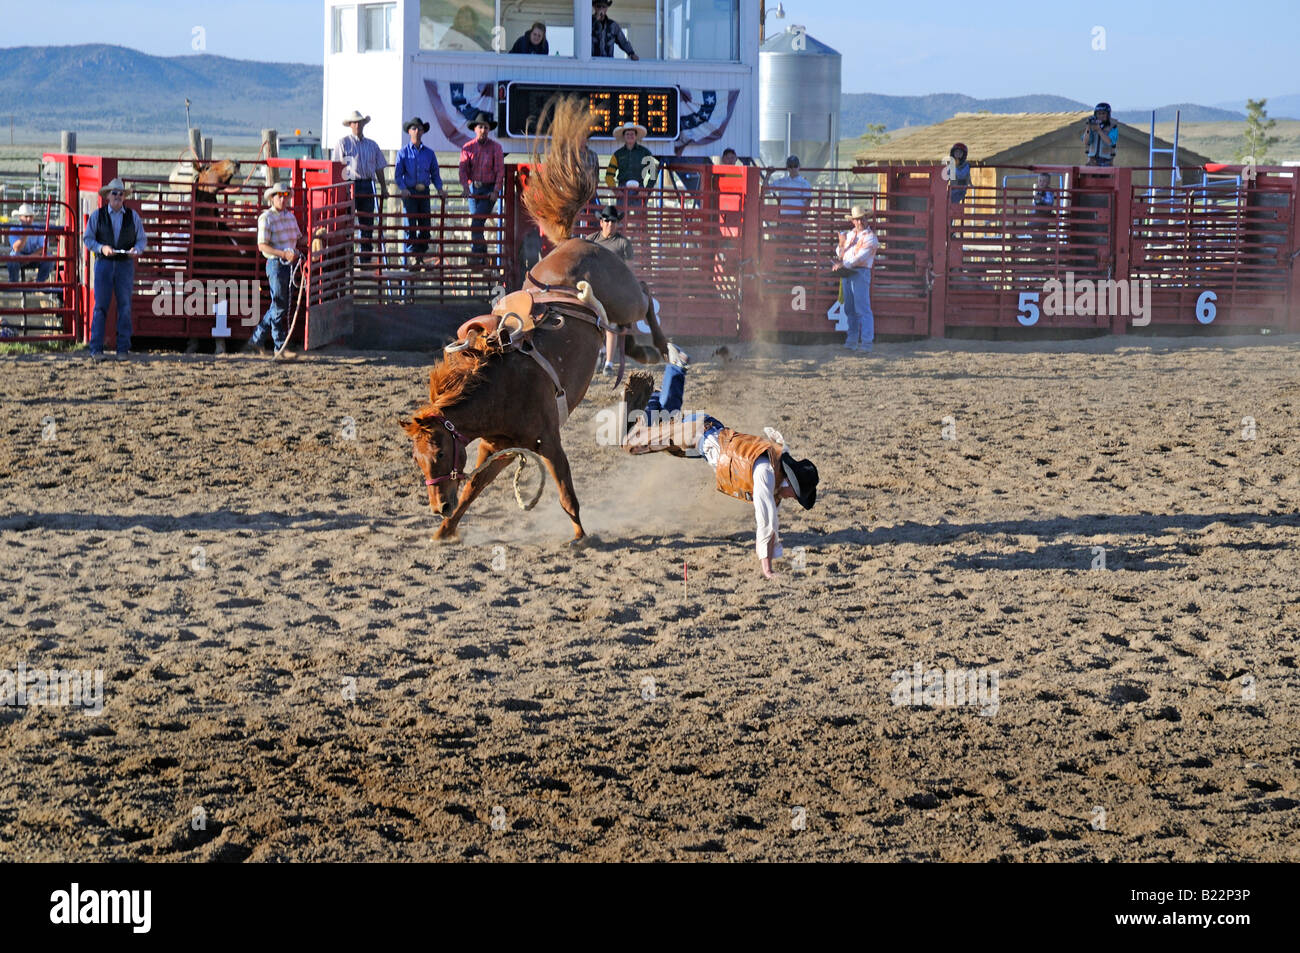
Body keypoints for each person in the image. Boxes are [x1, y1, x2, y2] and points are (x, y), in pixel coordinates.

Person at [624, 346, 820, 580]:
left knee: (665, 421)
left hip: (706, 431)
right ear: (790, 482)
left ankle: (665, 385)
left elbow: (772, 517)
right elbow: (766, 520)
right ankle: (653, 399)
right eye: (794, 495)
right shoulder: (766, 474)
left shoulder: (775, 465)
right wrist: (767, 569)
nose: (790, 498)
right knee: (633, 444)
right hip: (696, 434)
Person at [82, 177, 147, 359]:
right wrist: (101, 248)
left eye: (120, 193)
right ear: (107, 196)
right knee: (100, 307)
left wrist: (137, 249)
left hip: (125, 264)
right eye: (114, 193)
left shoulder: (132, 216)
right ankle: (96, 349)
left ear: (124, 197)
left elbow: (142, 239)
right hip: (104, 263)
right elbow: (87, 239)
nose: (118, 196)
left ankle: (122, 349)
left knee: (125, 307)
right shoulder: (97, 216)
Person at [245, 182, 305, 356]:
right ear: (272, 198)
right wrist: (283, 254)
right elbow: (262, 246)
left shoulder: (290, 217)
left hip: (290, 265)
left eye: (285, 196)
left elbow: (299, 239)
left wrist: (316, 236)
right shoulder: (266, 218)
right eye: (280, 195)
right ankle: (280, 346)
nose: (283, 199)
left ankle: (257, 339)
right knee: (279, 305)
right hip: (277, 264)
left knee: (280, 305)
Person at [333, 109, 388, 267]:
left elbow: (379, 168)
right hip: (350, 184)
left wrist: (383, 187)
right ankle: (347, 260)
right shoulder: (343, 143)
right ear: (350, 125)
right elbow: (337, 168)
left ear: (363, 124)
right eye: (354, 122)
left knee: (367, 224)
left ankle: (365, 260)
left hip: (368, 184)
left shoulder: (372, 145)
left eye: (359, 122)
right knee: (347, 224)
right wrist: (341, 188)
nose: (357, 125)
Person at [587, 205, 634, 375]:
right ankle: (600, 353)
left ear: (617, 224)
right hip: (595, 290)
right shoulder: (591, 240)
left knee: (611, 326)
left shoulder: (623, 243)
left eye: (613, 222)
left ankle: (608, 363)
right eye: (607, 221)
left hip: (615, 291)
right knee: (594, 324)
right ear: (601, 222)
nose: (610, 224)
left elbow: (629, 271)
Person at [394, 116, 446, 268]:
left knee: (425, 225)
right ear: (409, 131)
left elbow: (435, 174)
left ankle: (419, 255)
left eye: (419, 128)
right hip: (410, 192)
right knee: (410, 224)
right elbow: (398, 174)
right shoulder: (402, 153)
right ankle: (413, 256)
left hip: (424, 193)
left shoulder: (429, 153)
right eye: (414, 128)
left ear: (423, 132)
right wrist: (403, 188)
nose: (417, 131)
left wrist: (440, 189)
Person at [458, 112, 506, 261]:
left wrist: (496, 190)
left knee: (476, 223)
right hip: (473, 189)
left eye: (485, 127)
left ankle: (478, 254)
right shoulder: (468, 147)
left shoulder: (496, 148)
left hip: (488, 190)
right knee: (477, 223)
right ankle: (481, 255)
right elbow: (463, 169)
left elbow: (500, 170)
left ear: (489, 129)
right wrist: (466, 187)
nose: (483, 130)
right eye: (481, 127)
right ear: (475, 129)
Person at [834, 204, 880, 352]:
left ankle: (865, 343)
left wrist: (842, 264)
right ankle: (853, 341)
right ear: (853, 221)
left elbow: (859, 258)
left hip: (859, 272)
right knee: (850, 309)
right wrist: (841, 245)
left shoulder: (871, 238)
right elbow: (841, 254)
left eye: (862, 219)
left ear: (866, 219)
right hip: (850, 272)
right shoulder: (850, 235)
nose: (860, 222)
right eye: (857, 220)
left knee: (862, 309)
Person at [7, 204, 52, 285]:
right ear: (20, 217)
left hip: (33, 256)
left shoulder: (39, 228)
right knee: (12, 258)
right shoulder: (14, 229)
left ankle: (39, 284)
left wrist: (29, 257)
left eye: (30, 216)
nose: (29, 219)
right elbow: (16, 248)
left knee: (49, 258)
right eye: (26, 216)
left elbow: (44, 247)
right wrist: (26, 234)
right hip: (20, 257)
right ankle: (14, 283)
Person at [606, 122, 654, 190]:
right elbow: (609, 175)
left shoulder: (645, 152)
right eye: (627, 134)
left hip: (639, 189)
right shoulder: (617, 154)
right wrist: (616, 191)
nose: (630, 136)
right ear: (624, 136)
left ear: (636, 136)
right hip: (622, 189)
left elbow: (653, 173)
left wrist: (646, 190)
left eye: (632, 134)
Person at [1082, 102, 1119, 167]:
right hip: (1092, 161)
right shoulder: (1092, 127)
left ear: (1108, 115)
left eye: (1103, 113)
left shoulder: (1113, 127)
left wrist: (1099, 130)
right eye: (1099, 114)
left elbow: (1110, 142)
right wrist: (1088, 127)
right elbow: (1086, 141)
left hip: (1106, 161)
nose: (1101, 116)